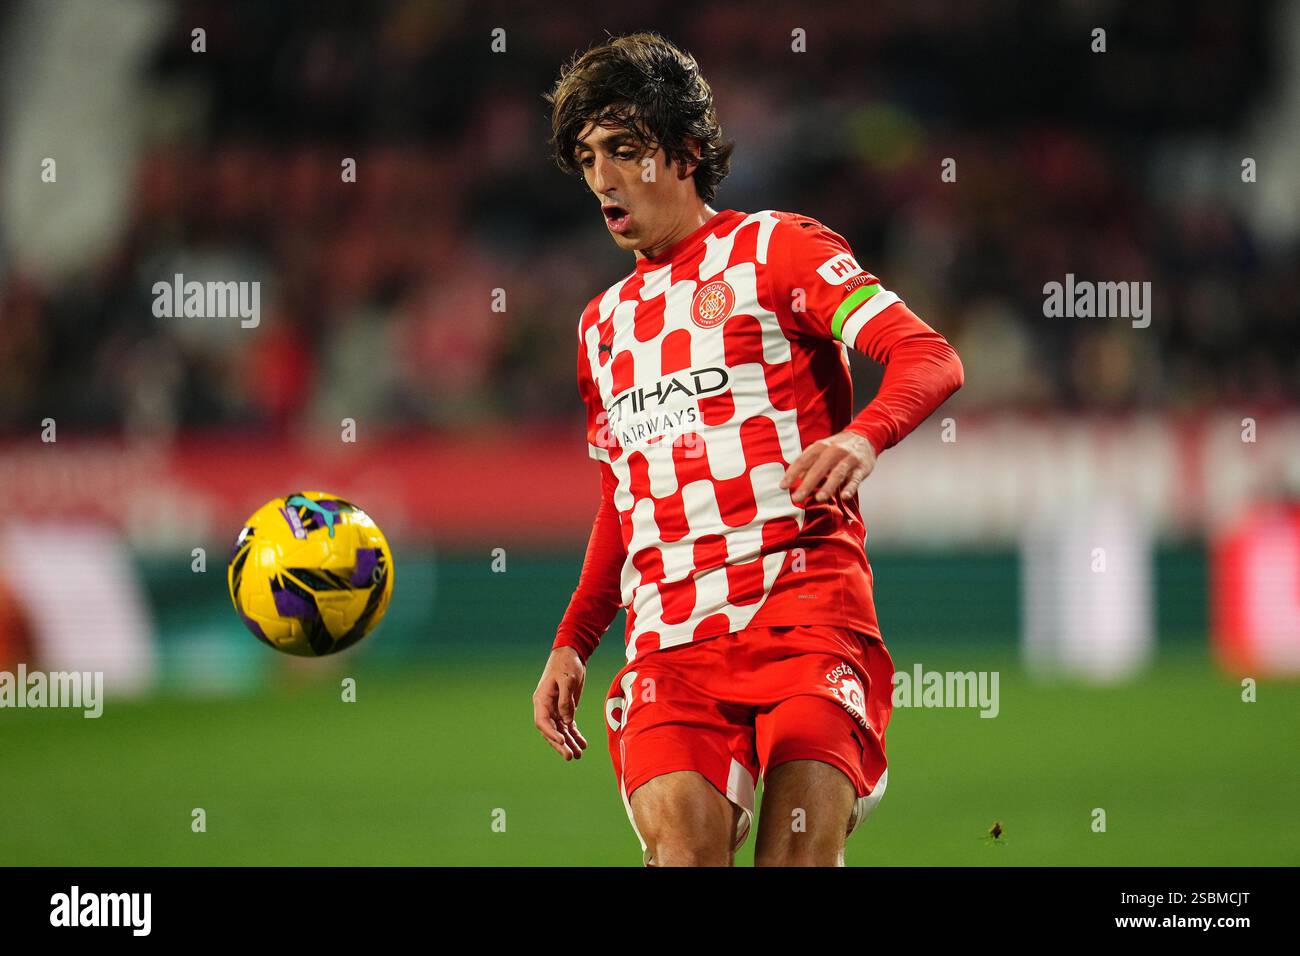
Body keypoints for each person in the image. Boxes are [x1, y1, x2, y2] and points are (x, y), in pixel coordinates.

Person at [532, 32, 964, 866]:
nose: (603, 178)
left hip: (806, 615)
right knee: (686, 855)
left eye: (625, 151)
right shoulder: (600, 326)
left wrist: (863, 435)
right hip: (672, 642)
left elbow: (929, 356)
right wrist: (572, 640)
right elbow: (626, 499)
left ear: (689, 153)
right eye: (587, 157)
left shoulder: (777, 251)